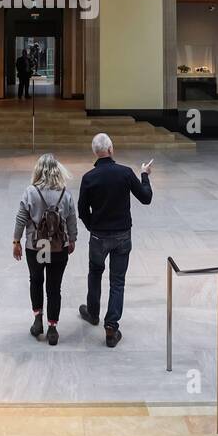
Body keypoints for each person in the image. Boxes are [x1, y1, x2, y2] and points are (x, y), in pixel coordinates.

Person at [78, 133, 153, 347]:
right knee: (117, 281)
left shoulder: (89, 178)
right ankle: (111, 327)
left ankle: (93, 313)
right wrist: (144, 175)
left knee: (95, 273)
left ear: (95, 152)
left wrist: (92, 227)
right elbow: (146, 198)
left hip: (98, 236)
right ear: (111, 149)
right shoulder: (125, 173)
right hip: (122, 235)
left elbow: (82, 210)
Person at [12, 153, 77, 345]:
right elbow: (72, 219)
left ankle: (37, 319)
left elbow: (21, 218)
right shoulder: (65, 193)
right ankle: (53, 328)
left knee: (37, 280)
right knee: (54, 287)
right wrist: (72, 240)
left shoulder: (31, 192)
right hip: (58, 247)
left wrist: (16, 241)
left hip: (38, 246)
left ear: (38, 170)